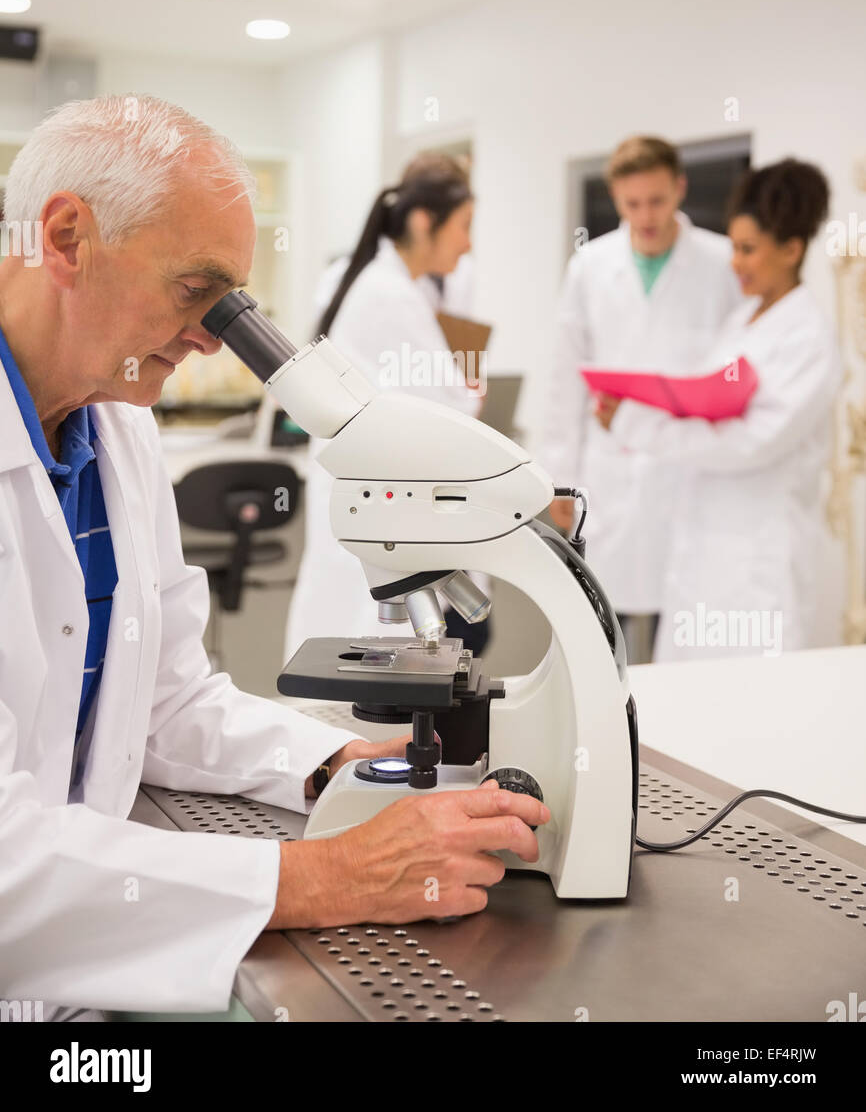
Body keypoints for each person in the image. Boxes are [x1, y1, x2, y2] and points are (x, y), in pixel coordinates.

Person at [0, 99, 547, 1019]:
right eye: (194, 291)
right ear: (66, 238)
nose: (214, 336)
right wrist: (324, 876)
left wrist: (338, 764)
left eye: (228, 305)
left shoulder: (116, 429)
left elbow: (167, 704)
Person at [596, 158, 841, 660]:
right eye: (734, 246)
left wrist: (639, 427)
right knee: (683, 712)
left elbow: (750, 443)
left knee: (749, 711)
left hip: (758, 559)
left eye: (749, 250)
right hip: (700, 548)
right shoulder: (744, 320)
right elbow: (704, 408)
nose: (736, 262)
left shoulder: (809, 338)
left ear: (792, 250)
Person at [540, 136, 741, 657]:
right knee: (604, 622)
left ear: (679, 188)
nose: (646, 216)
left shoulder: (722, 263)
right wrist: (558, 479)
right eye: (632, 204)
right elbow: (564, 377)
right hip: (610, 469)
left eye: (656, 201)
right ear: (616, 196)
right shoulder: (590, 265)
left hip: (690, 469)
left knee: (689, 619)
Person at [286, 152, 491, 657]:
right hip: (378, 505)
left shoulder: (381, 283)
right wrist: (473, 393)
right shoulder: (391, 294)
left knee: (353, 640)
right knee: (383, 652)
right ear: (425, 223)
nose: (468, 242)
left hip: (364, 499)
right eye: (464, 226)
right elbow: (448, 414)